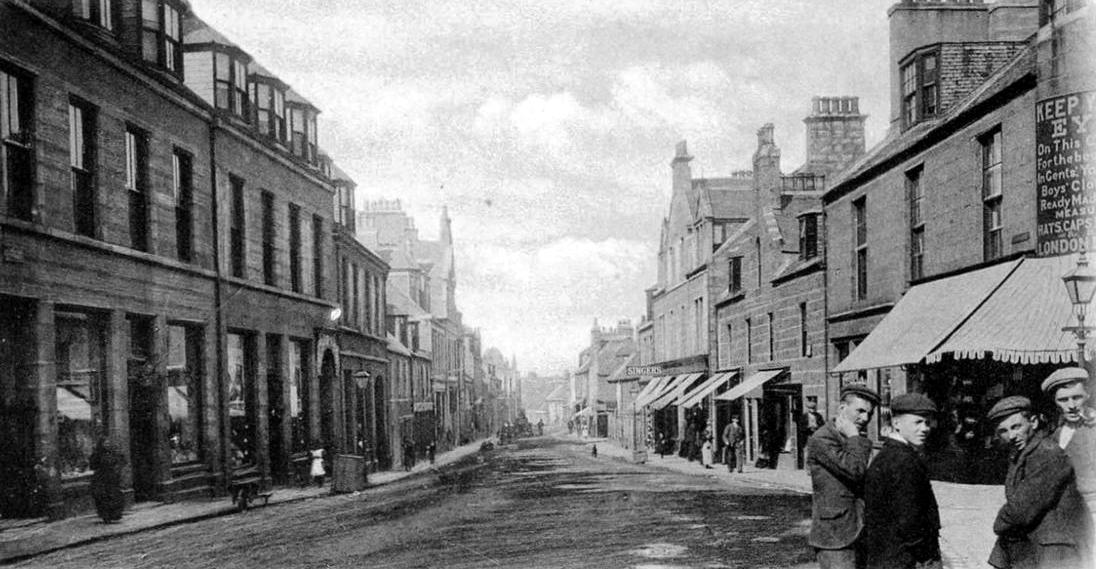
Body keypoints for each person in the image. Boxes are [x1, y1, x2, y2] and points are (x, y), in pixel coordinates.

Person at [986, 396, 1091, 569]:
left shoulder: (1047, 454)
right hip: (1035, 547)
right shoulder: (1023, 454)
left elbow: (1021, 510)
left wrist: (999, 523)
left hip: (1055, 552)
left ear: (1033, 422)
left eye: (1016, 426)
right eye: (1003, 431)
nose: (1011, 435)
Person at [862, 393, 942, 569]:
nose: (924, 428)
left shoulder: (887, 454)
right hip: (905, 559)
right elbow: (910, 519)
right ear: (896, 423)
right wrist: (926, 556)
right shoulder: (904, 460)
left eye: (927, 423)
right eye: (918, 422)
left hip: (885, 557)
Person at [807, 384, 879, 569]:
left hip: (860, 529)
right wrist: (855, 436)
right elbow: (855, 470)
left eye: (869, 414)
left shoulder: (854, 439)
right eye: (860, 411)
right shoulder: (822, 438)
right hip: (835, 535)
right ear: (842, 409)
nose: (865, 418)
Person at [1041, 367, 1096, 533]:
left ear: (1088, 395)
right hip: (1065, 512)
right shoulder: (1056, 433)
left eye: (1076, 397)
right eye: (1063, 400)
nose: (1071, 405)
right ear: (1055, 402)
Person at [89, 437, 125, 523]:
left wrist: (117, 469)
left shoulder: (112, 453)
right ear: (101, 444)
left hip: (112, 478)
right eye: (105, 443)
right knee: (103, 497)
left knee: (114, 496)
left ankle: (114, 515)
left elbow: (120, 461)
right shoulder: (97, 454)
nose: (107, 445)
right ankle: (106, 516)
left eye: (108, 443)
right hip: (101, 479)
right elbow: (92, 466)